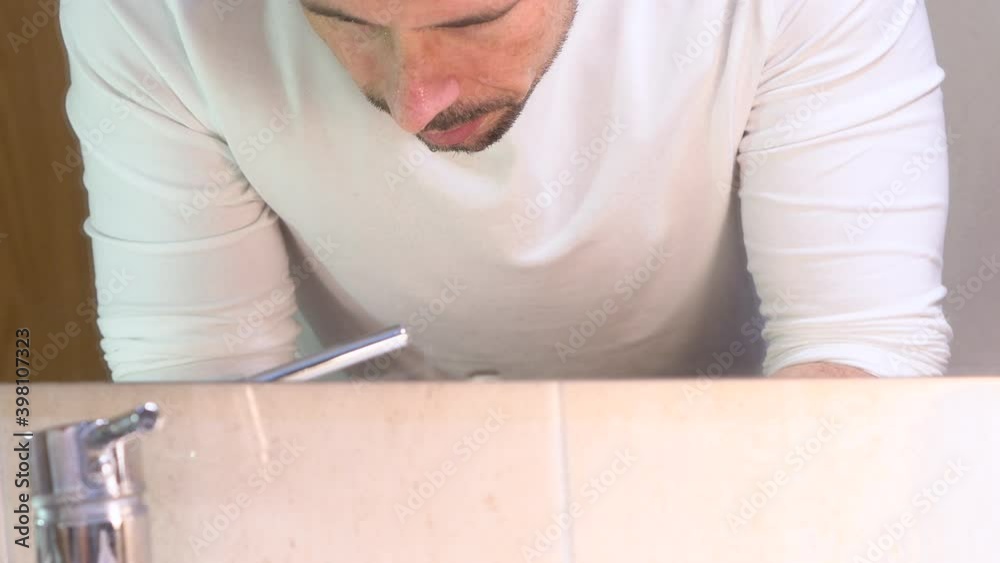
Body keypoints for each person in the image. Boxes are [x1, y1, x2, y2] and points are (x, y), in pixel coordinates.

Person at [59, 0, 952, 382]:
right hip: (356, 478)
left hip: (734, 451)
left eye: (474, 20)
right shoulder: (144, 11)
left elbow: (858, 348)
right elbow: (198, 388)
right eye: (346, 24)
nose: (415, 100)